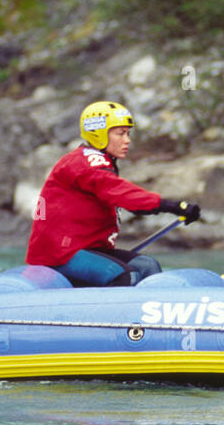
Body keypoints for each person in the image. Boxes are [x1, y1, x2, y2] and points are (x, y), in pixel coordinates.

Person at [26, 101, 201, 287]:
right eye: (120, 133)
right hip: (60, 254)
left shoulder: (98, 161)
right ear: (99, 134)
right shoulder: (83, 162)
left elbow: (125, 198)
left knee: (148, 266)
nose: (127, 140)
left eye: (128, 133)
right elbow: (125, 196)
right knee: (126, 276)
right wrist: (173, 206)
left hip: (87, 250)